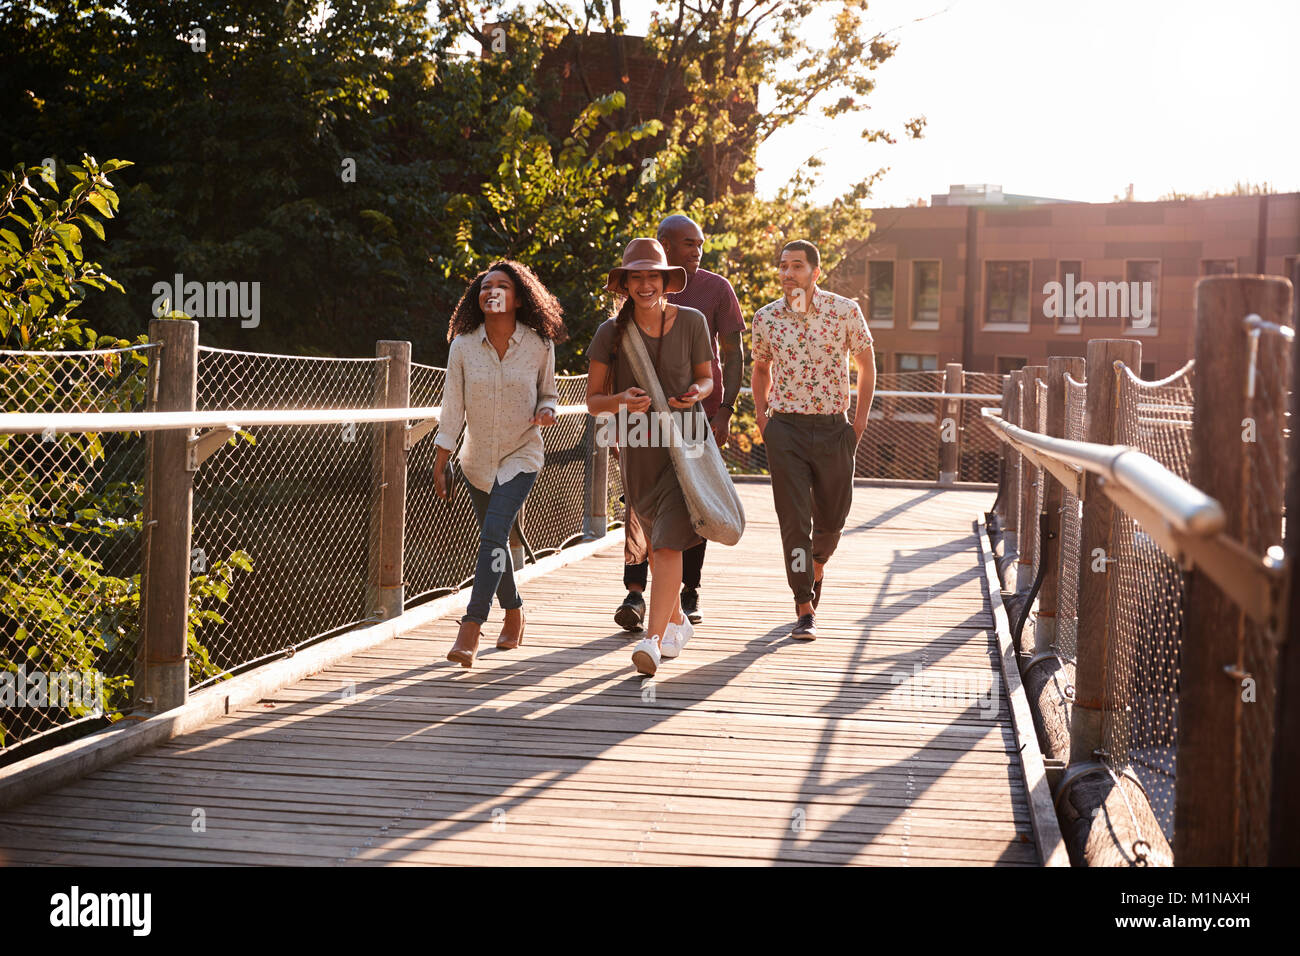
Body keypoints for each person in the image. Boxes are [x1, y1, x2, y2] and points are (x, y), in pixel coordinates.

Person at [587, 238, 714, 676]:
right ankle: (675, 619)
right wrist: (621, 398)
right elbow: (593, 401)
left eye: (652, 276)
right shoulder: (610, 333)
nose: (645, 284)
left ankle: (652, 642)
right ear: (624, 283)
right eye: (636, 276)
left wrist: (696, 393)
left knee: (666, 544)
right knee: (660, 542)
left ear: (666, 281)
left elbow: (707, 380)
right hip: (639, 448)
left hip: (688, 444)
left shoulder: (693, 322)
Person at [614, 214, 746, 631]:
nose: (697, 250)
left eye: (701, 244)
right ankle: (635, 591)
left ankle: (688, 594)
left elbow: (735, 352)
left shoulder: (716, 290)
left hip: (697, 416)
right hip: (642, 421)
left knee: (695, 499)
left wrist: (724, 409)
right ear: (665, 245)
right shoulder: (642, 287)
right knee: (639, 504)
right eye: (689, 243)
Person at [434, 261, 566, 667]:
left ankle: (471, 626)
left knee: (492, 536)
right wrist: (441, 459)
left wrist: (546, 410)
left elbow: (549, 393)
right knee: (498, 541)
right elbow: (452, 407)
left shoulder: (539, 344)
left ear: (519, 297)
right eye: (485, 285)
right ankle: (514, 611)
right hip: (475, 460)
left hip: (522, 454)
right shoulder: (463, 346)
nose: (491, 290)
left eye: (502, 285)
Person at [751, 239, 875, 640]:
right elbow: (759, 370)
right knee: (793, 521)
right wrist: (762, 420)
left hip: (834, 428)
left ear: (815, 272)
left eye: (797, 266)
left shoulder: (845, 311)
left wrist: (857, 424)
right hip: (784, 429)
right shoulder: (766, 318)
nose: (788, 274)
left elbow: (866, 365)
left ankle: (816, 565)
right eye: (783, 267)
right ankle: (804, 606)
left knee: (833, 518)